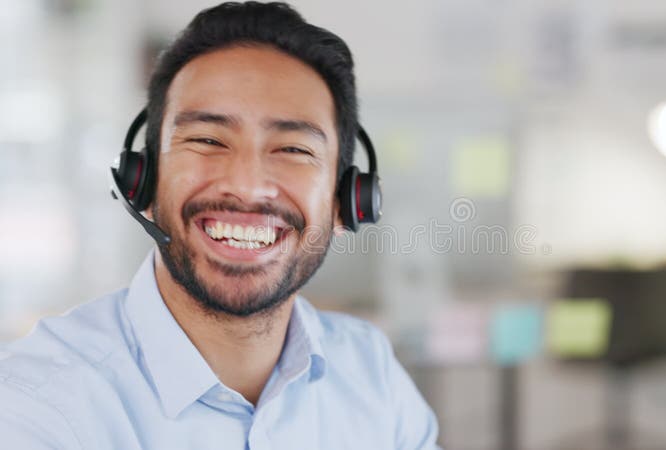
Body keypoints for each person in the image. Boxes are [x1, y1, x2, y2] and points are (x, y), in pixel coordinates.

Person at [0, 2, 440, 449]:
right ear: (143, 182)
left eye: (292, 149)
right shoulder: (37, 406)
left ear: (348, 201)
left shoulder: (370, 373)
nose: (247, 187)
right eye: (208, 140)